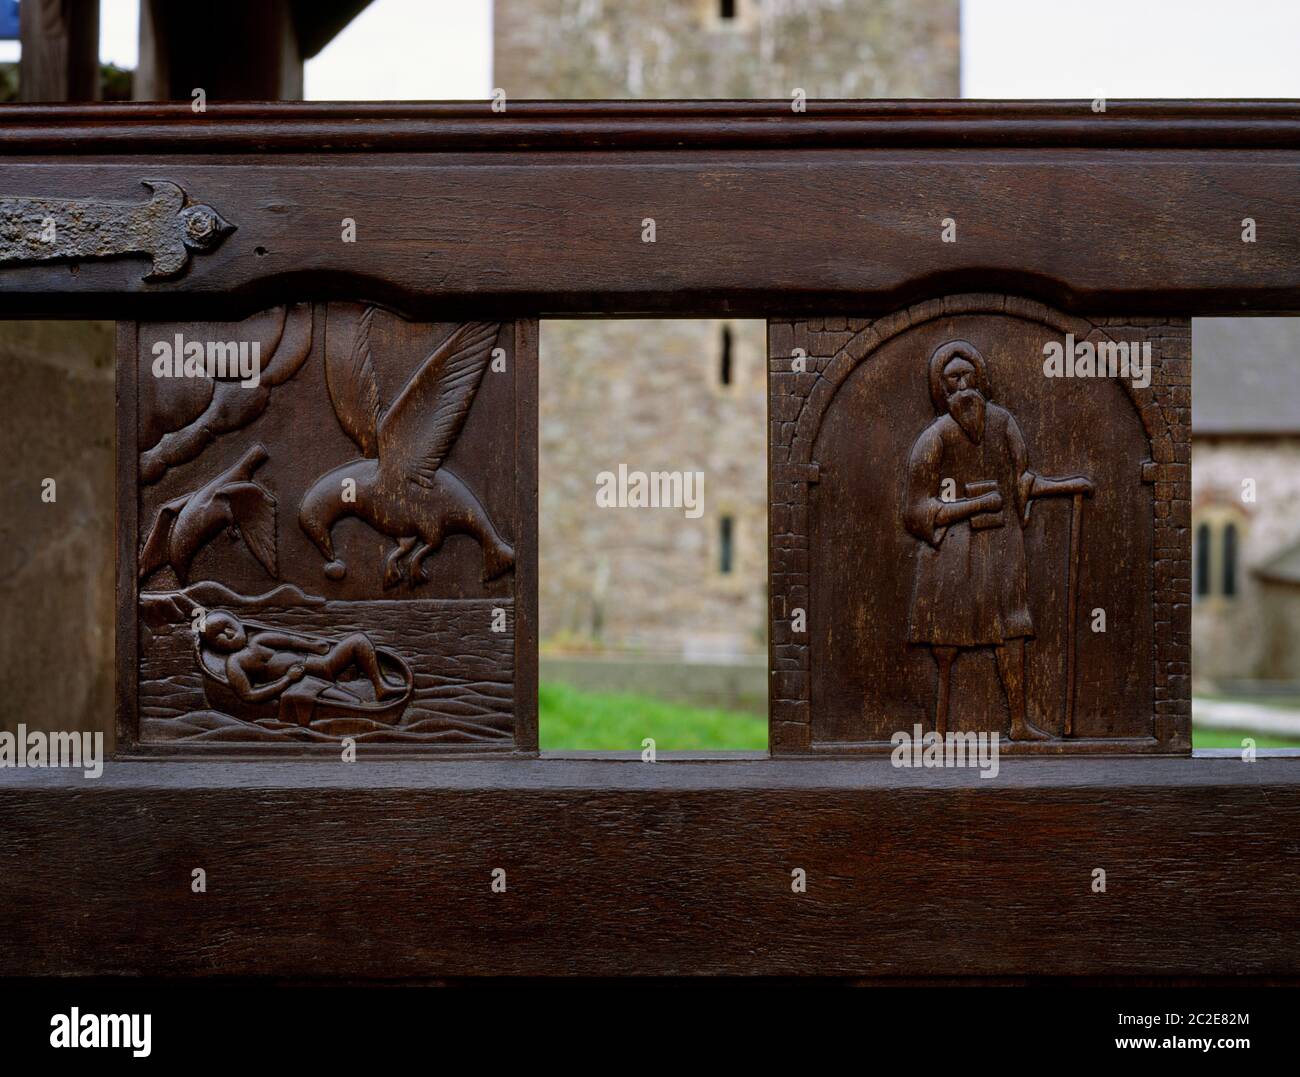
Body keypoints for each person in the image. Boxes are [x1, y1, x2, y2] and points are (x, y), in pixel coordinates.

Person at [903, 339, 1093, 739]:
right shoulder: (934, 438)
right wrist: (969, 507)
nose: (962, 387)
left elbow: (1022, 479)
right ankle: (938, 726)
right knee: (947, 637)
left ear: (980, 377)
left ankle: (1019, 722)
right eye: (952, 379)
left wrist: (1063, 487)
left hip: (1004, 546)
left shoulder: (1004, 423)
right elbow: (916, 509)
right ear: (941, 387)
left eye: (967, 376)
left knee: (1011, 630)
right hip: (953, 553)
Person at [199, 611, 405, 725]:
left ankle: (380, 686)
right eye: (220, 635)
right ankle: (365, 710)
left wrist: (313, 645)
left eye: (229, 625)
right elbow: (249, 695)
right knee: (350, 702)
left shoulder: (260, 639)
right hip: (303, 682)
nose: (229, 633)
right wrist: (287, 680)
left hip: (322, 664)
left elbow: (292, 641)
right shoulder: (235, 664)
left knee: (358, 640)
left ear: (238, 621)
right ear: (216, 646)